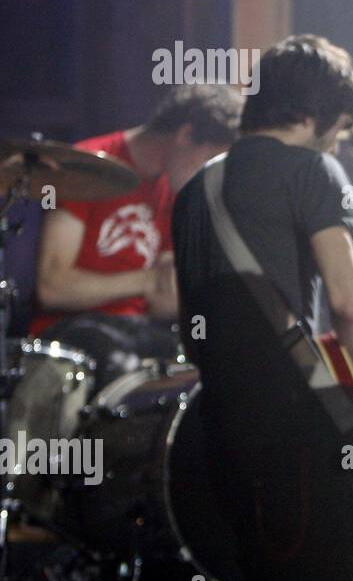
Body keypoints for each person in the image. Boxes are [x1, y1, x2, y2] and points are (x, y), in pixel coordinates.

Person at [171, 34, 353, 581]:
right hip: (299, 435)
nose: (337, 144)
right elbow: (349, 305)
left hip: (220, 433)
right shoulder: (312, 169)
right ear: (307, 117)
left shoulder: (196, 189)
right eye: (336, 130)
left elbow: (188, 325)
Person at [30, 85, 243, 387]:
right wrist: (146, 280)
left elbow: (163, 300)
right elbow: (52, 287)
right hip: (71, 336)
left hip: (140, 329)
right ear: (185, 135)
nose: (211, 176)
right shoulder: (86, 165)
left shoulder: (176, 189)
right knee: (121, 361)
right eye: (209, 161)